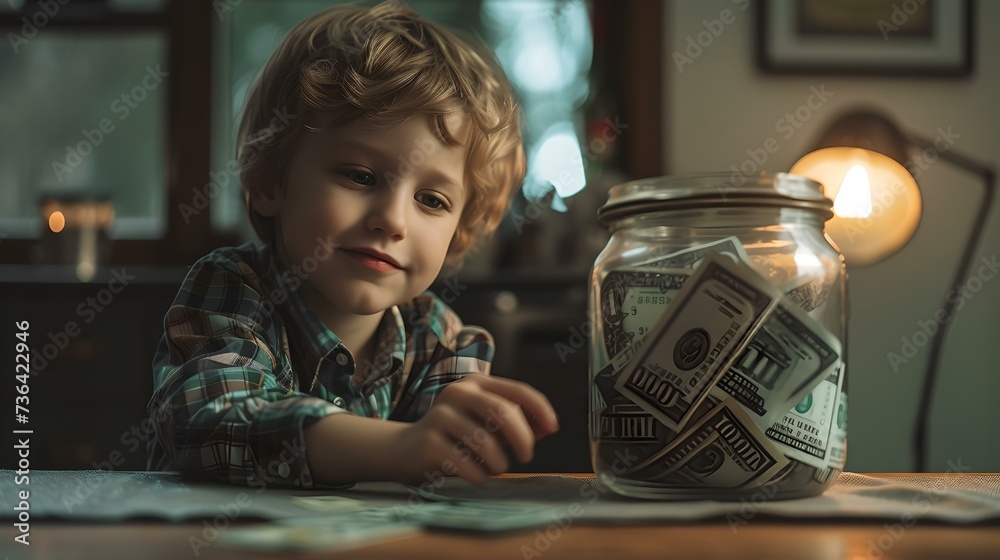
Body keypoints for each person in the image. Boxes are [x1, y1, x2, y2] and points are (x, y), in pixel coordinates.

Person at [147, 1, 558, 489]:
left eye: (431, 199)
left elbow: (447, 482)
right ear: (270, 181)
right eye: (360, 176)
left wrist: (459, 444)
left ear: (458, 231)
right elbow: (214, 422)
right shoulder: (232, 292)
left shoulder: (444, 342)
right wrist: (402, 447)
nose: (391, 220)